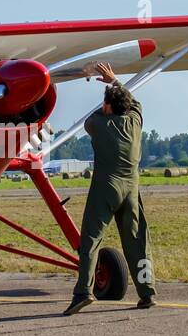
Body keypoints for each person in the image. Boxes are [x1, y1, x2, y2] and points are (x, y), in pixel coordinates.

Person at [63, 62, 158, 315]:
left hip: (106, 187)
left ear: (108, 108)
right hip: (131, 188)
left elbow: (90, 121)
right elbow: (133, 102)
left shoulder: (99, 125)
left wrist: (107, 100)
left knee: (91, 240)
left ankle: (83, 291)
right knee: (138, 240)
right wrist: (115, 80)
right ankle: (147, 292)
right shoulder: (135, 121)